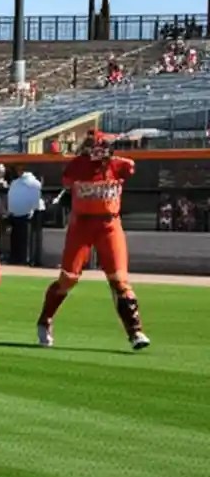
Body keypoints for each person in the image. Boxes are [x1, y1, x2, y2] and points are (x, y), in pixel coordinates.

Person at [34, 131, 149, 351]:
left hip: (109, 224)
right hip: (82, 225)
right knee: (69, 278)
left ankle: (135, 331)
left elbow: (129, 166)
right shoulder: (78, 165)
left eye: (104, 147)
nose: (100, 151)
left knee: (120, 281)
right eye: (96, 147)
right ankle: (45, 319)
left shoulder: (119, 165)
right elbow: (68, 180)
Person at [5, 169, 43, 265]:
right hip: (25, 214)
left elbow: (10, 198)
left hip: (17, 214)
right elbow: (35, 200)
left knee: (18, 238)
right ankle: (25, 259)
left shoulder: (16, 183)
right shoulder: (33, 183)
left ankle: (19, 258)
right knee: (25, 239)